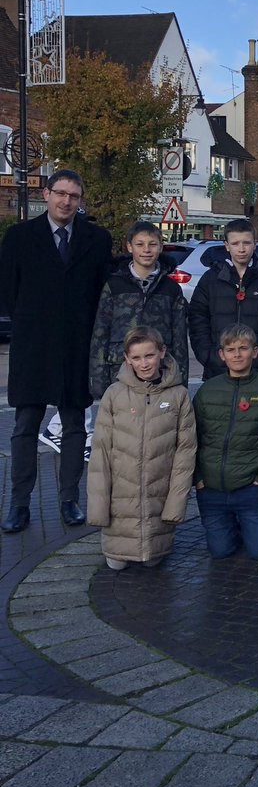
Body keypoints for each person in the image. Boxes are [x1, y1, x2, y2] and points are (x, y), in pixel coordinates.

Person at [0, 170, 112, 532]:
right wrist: (31, 321)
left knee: (76, 426)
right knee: (25, 427)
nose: (66, 201)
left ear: (81, 200)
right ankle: (19, 504)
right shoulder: (19, 237)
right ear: (46, 194)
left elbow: (100, 293)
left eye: (74, 196)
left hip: (77, 346)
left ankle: (69, 500)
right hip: (33, 346)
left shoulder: (97, 239)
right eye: (60, 193)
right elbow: (7, 291)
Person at [85, 326, 196, 571]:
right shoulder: (114, 395)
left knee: (152, 562)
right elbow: (100, 454)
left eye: (149, 355)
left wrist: (176, 505)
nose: (144, 363)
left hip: (157, 498)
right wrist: (98, 508)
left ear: (162, 352)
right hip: (120, 500)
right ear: (127, 359)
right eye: (136, 357)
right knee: (116, 565)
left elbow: (185, 453)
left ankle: (153, 546)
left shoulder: (179, 396)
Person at [191, 324, 258, 560]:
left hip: (251, 486)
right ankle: (236, 528)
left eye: (243, 348)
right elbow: (190, 436)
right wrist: (197, 478)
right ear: (222, 354)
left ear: (255, 352)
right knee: (221, 551)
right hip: (211, 488)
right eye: (231, 349)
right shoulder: (208, 391)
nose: (237, 354)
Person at [89, 221, 189, 399]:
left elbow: (180, 336)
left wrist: (181, 379)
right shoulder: (114, 285)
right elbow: (100, 333)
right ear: (129, 247)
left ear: (160, 247)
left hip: (160, 370)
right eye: (140, 244)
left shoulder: (171, 288)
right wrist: (98, 379)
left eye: (152, 244)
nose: (146, 250)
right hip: (120, 370)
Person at [187, 218, 258, 380]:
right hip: (217, 370)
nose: (241, 249)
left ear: (254, 244)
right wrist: (208, 356)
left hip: (256, 370)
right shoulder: (211, 279)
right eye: (235, 244)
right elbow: (197, 318)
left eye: (246, 243)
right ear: (227, 246)